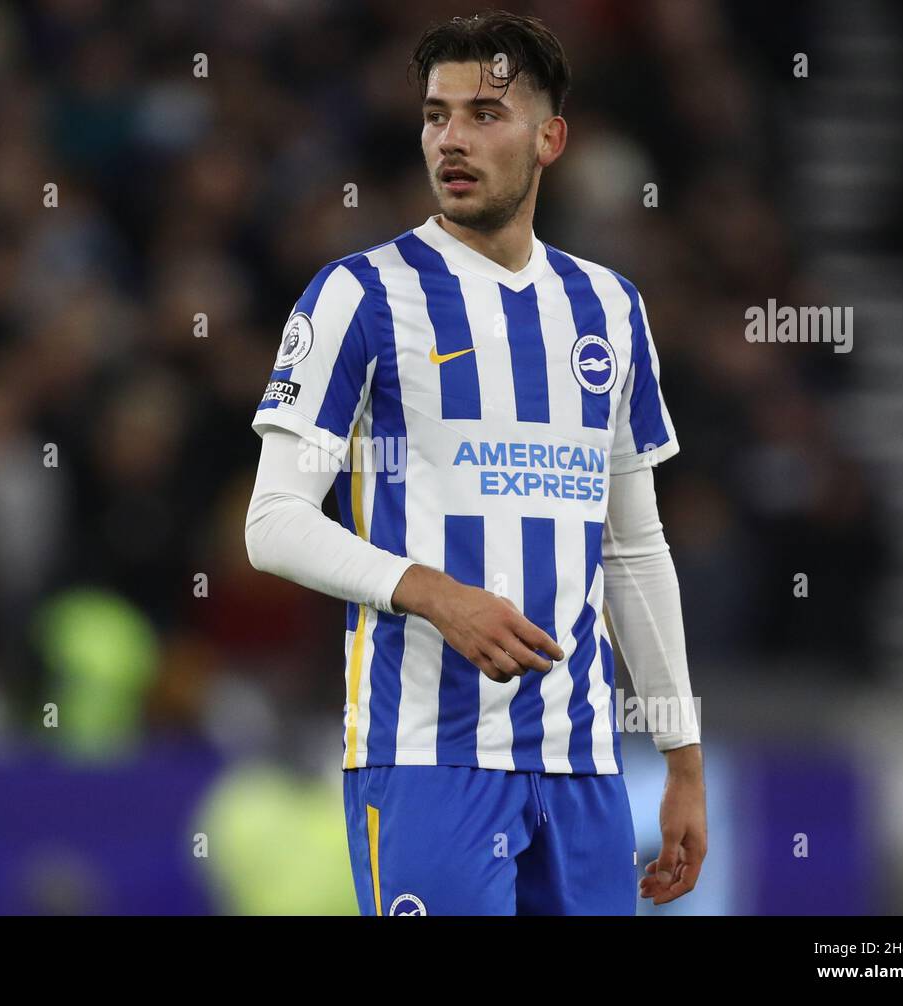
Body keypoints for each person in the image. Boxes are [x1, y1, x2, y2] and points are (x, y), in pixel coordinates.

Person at [245, 10, 705, 915]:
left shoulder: (608, 310)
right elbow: (273, 523)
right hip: (424, 755)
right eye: (434, 114)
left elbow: (634, 551)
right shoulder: (360, 295)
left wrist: (683, 757)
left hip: (582, 768)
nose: (450, 138)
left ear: (549, 137)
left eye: (484, 113)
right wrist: (435, 593)